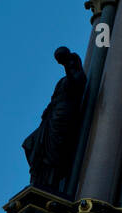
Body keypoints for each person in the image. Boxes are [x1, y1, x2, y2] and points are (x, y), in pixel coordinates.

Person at [22, 47, 87, 191]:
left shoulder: (78, 77)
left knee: (54, 152)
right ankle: (38, 178)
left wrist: (66, 68)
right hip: (52, 116)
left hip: (63, 117)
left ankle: (50, 182)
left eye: (69, 62)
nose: (67, 65)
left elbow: (74, 88)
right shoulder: (62, 80)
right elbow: (54, 98)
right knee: (30, 143)